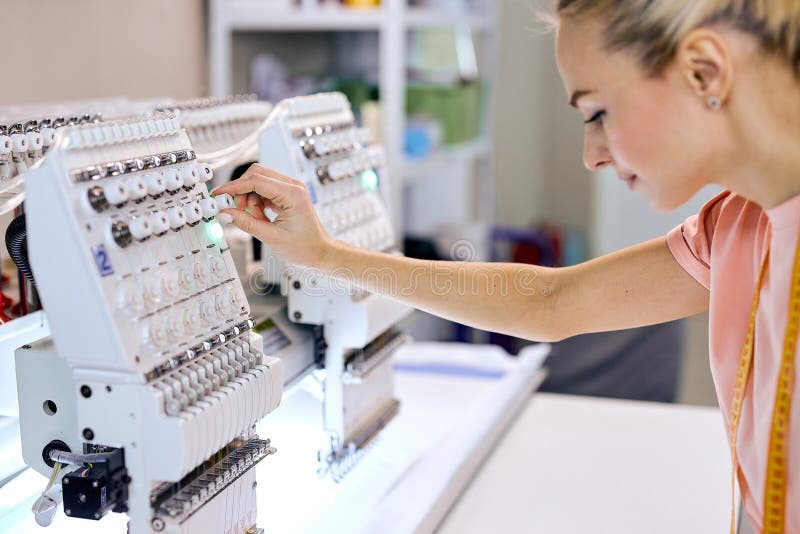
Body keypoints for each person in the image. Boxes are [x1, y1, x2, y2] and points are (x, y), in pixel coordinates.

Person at [212, 1, 800, 531]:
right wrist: (326, 256)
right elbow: (552, 302)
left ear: (705, 73)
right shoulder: (738, 226)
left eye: (596, 113)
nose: (592, 155)